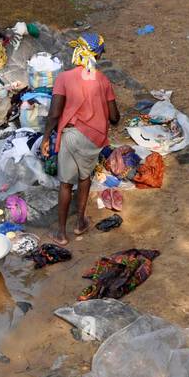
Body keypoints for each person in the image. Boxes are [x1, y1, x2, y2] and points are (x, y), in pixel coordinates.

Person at [41, 33, 119, 246]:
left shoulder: (64, 78)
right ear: (97, 56)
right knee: (85, 178)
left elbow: (55, 113)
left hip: (72, 136)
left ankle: (61, 233)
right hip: (94, 139)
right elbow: (114, 118)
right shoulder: (103, 80)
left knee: (66, 184)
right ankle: (80, 223)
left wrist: (46, 138)